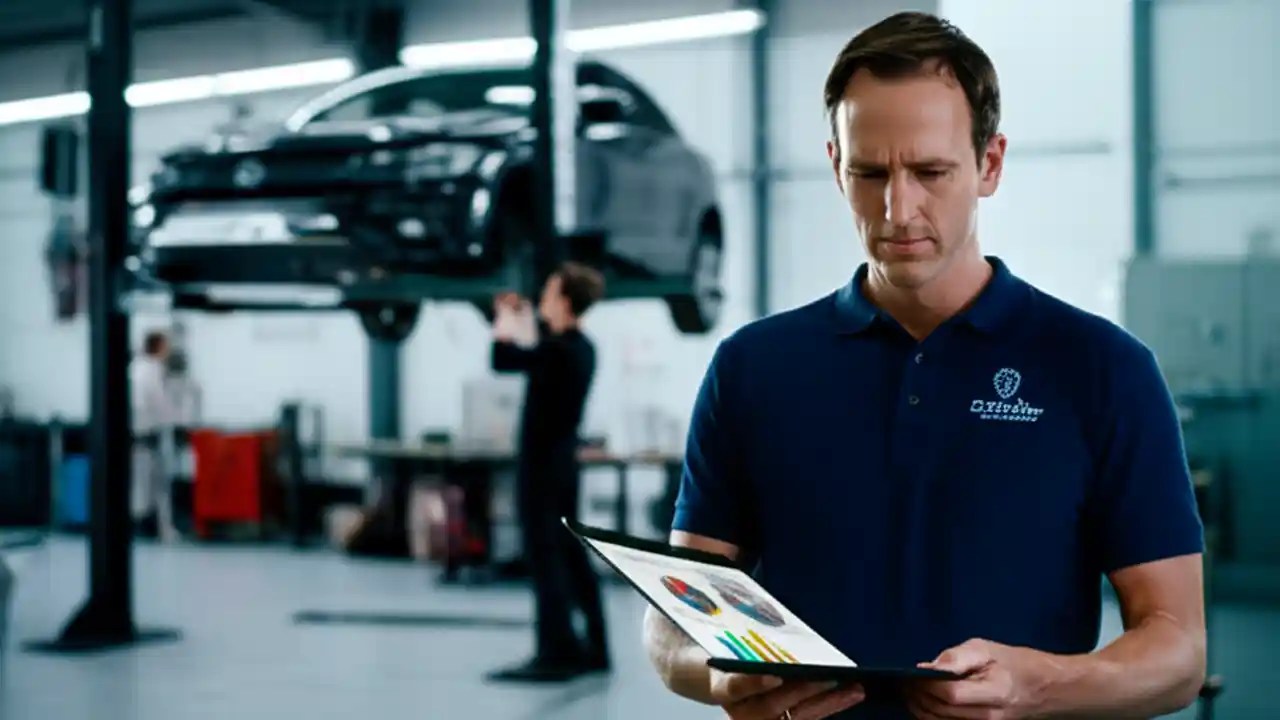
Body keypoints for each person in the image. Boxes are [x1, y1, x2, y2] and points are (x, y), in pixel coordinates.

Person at [644, 11, 1206, 720]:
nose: (896, 207)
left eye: (930, 171)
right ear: (834, 165)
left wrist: (1041, 685)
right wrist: (718, 675)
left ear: (990, 164)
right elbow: (673, 621)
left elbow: (1179, 651)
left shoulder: (1103, 370)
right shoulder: (752, 368)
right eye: (868, 172)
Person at [486, 262, 611, 683]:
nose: (541, 300)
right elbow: (533, 346)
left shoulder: (558, 351)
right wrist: (520, 318)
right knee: (571, 556)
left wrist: (505, 317)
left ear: (563, 301)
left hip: (540, 468)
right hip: (563, 467)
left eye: (548, 294)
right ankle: (595, 647)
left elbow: (504, 357)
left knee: (545, 558)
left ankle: (555, 651)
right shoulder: (578, 347)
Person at [130, 329, 175, 538]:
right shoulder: (152, 370)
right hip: (147, 434)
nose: (169, 350)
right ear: (158, 347)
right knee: (154, 486)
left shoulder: (135, 367)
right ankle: (159, 529)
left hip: (137, 434)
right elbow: (159, 403)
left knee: (141, 485)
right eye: (166, 345)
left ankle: (145, 525)